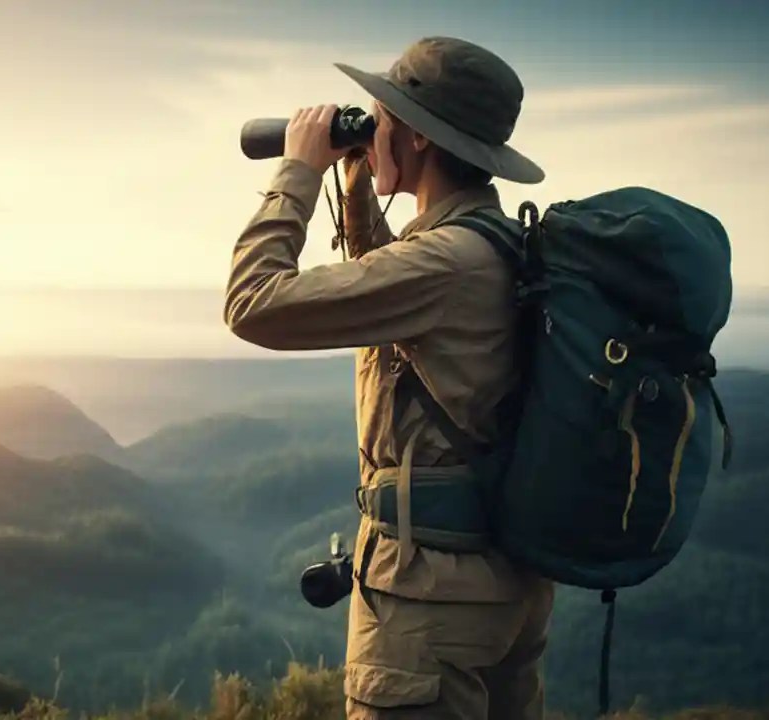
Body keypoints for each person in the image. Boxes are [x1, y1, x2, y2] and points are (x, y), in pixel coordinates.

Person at [223, 37, 555, 719]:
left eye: (381, 119)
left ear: (417, 139)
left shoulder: (446, 264)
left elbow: (252, 304)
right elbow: (394, 306)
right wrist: (355, 184)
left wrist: (298, 172)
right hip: (501, 584)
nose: (371, 131)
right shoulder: (495, 245)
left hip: (428, 604)